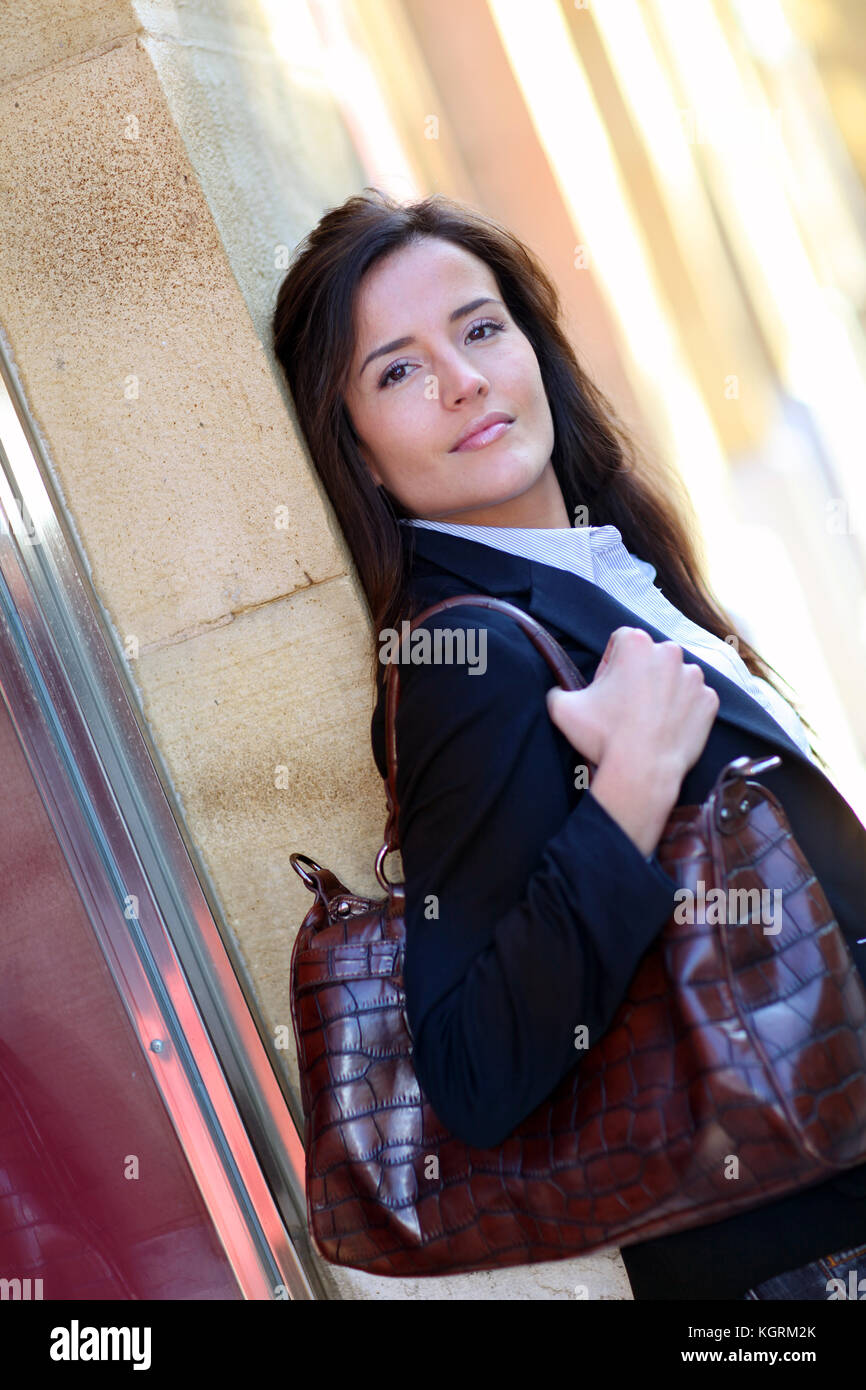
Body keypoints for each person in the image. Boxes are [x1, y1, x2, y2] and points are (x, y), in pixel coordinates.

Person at [271, 188, 866, 1301]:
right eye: (395, 370)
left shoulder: (608, 571)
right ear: (353, 443)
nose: (462, 380)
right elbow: (472, 1069)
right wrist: (626, 792)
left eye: (479, 327)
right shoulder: (471, 664)